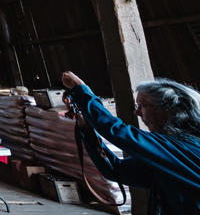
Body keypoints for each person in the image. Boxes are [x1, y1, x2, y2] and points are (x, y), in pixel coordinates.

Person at [63, 71, 200, 214]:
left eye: (142, 106)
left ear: (168, 110)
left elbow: (117, 131)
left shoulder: (185, 149)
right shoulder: (169, 154)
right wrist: (88, 131)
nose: (137, 113)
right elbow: (116, 170)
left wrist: (82, 89)